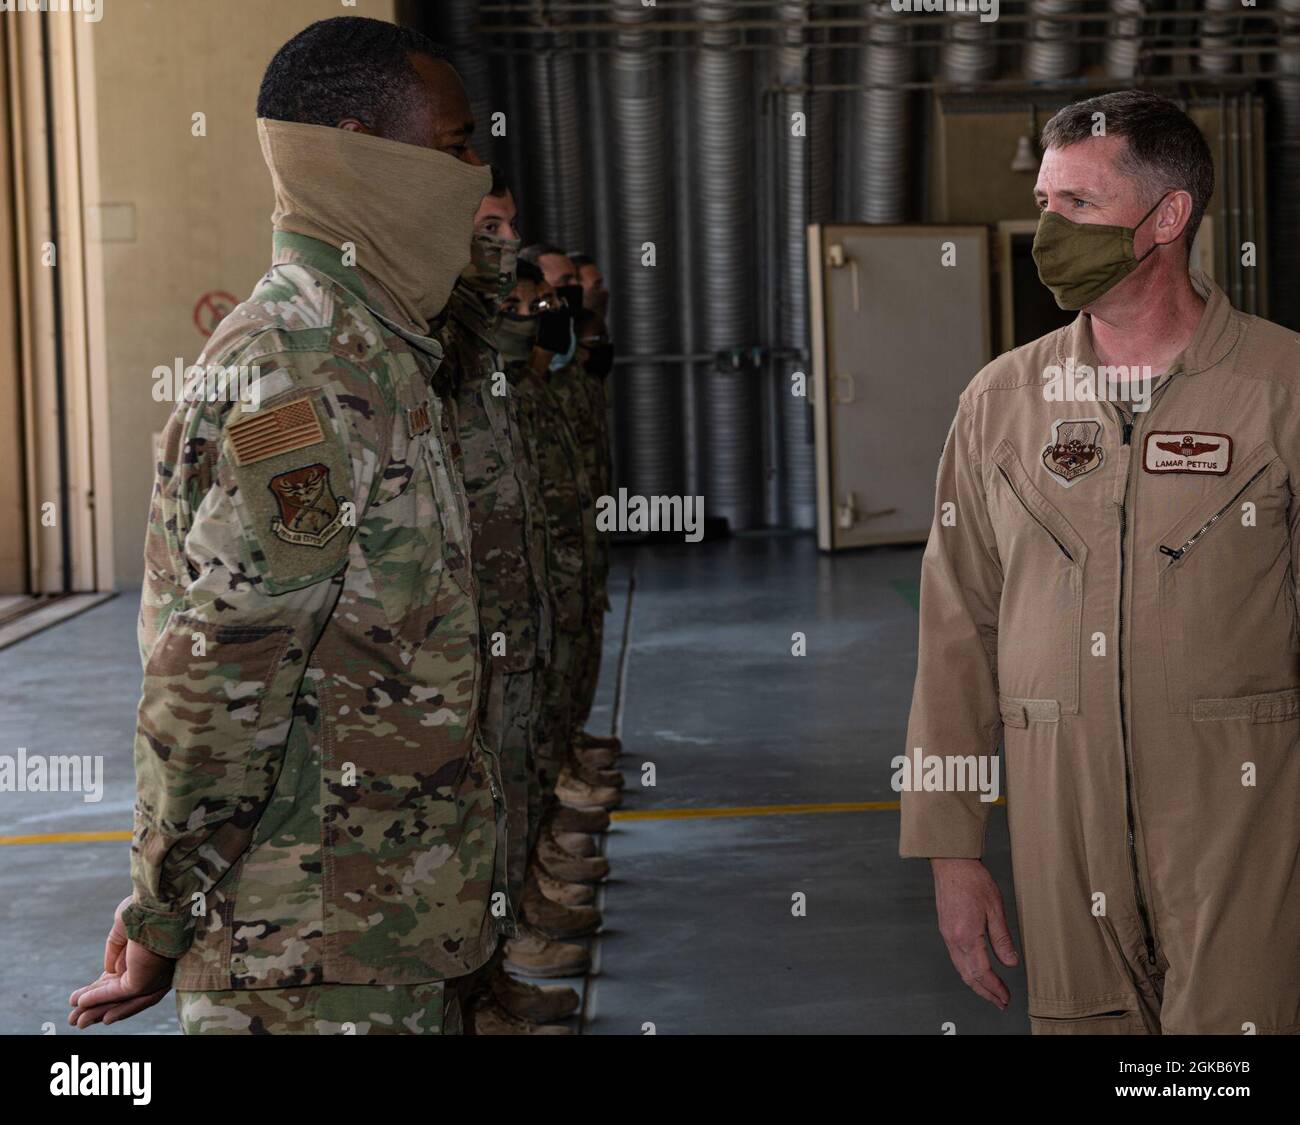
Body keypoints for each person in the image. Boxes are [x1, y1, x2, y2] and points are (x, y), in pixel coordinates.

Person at [68, 16, 502, 1036]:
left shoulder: (376, 345)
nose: (474, 175)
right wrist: (161, 909)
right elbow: (224, 667)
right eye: (453, 146)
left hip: (379, 927)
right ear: (363, 148)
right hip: (304, 949)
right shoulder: (304, 368)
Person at [901, 88, 1300, 1035]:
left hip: (1244, 837)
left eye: (1077, 204)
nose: (1048, 228)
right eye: (1045, 201)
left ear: (1169, 216)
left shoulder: (1281, 391)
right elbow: (956, 633)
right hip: (1061, 841)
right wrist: (952, 851)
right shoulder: (1000, 404)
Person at [436, 170, 595, 1032]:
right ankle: (483, 981)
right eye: (485, 225)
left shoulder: (493, 360)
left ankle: (507, 943)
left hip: (519, 600)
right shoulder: (436, 346)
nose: (500, 243)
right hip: (465, 633)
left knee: (522, 765)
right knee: (485, 791)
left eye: (509, 226)